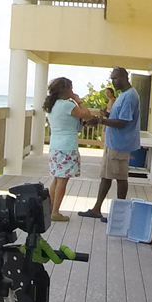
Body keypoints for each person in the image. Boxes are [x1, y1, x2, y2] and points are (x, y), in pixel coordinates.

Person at [80, 67, 140, 219]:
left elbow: (122, 122)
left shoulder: (129, 96)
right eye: (112, 78)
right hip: (113, 143)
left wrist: (100, 120)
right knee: (106, 176)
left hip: (120, 144)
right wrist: (107, 114)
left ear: (126, 77)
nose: (113, 82)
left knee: (120, 178)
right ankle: (96, 209)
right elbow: (118, 116)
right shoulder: (122, 95)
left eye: (116, 78)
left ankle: (119, 213)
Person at [42, 77, 101, 221]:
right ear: (65, 90)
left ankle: (50, 209)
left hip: (55, 145)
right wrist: (78, 100)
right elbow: (86, 114)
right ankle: (55, 212)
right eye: (71, 88)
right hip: (67, 146)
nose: (72, 91)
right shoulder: (67, 105)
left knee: (57, 179)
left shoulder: (53, 105)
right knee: (63, 180)